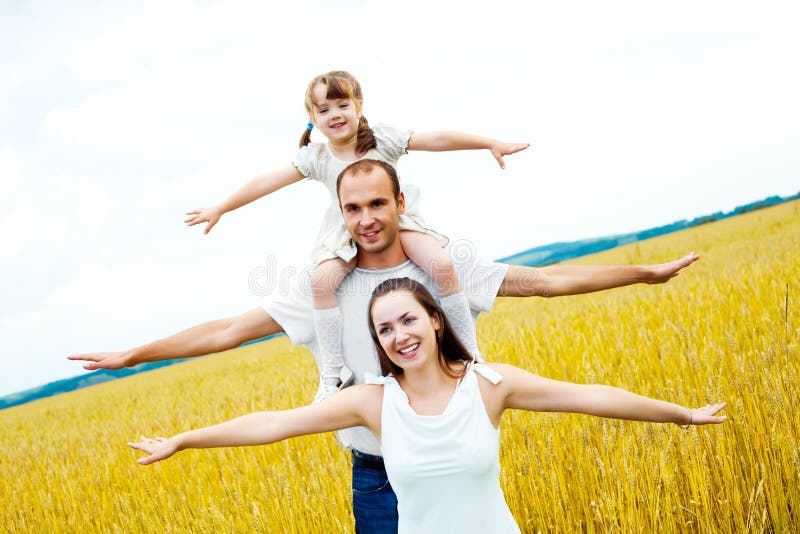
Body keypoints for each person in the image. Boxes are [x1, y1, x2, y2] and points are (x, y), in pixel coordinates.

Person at [70, 158, 700, 531]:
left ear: (400, 203)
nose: (366, 218)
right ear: (340, 214)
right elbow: (225, 332)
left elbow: (547, 282)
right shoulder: (320, 287)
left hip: (454, 466)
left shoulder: (445, 269)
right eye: (352, 208)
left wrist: (643, 274)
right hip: (374, 474)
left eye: (377, 203)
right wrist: (132, 355)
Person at [129, 277, 727, 533]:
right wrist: (184, 439)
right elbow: (276, 424)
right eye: (384, 329)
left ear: (436, 321)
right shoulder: (371, 403)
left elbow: (589, 398)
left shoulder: (490, 385)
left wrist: (681, 413)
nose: (398, 335)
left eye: (408, 319)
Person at [183, 70, 530, 402]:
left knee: (440, 263)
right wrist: (221, 208)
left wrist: (489, 142)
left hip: (398, 224)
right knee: (322, 281)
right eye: (324, 109)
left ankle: (469, 355)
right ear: (312, 118)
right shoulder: (317, 157)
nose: (334, 114)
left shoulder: (383, 139)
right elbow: (266, 182)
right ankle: (334, 374)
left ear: (358, 106)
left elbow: (437, 139)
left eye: (342, 105)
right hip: (347, 235)